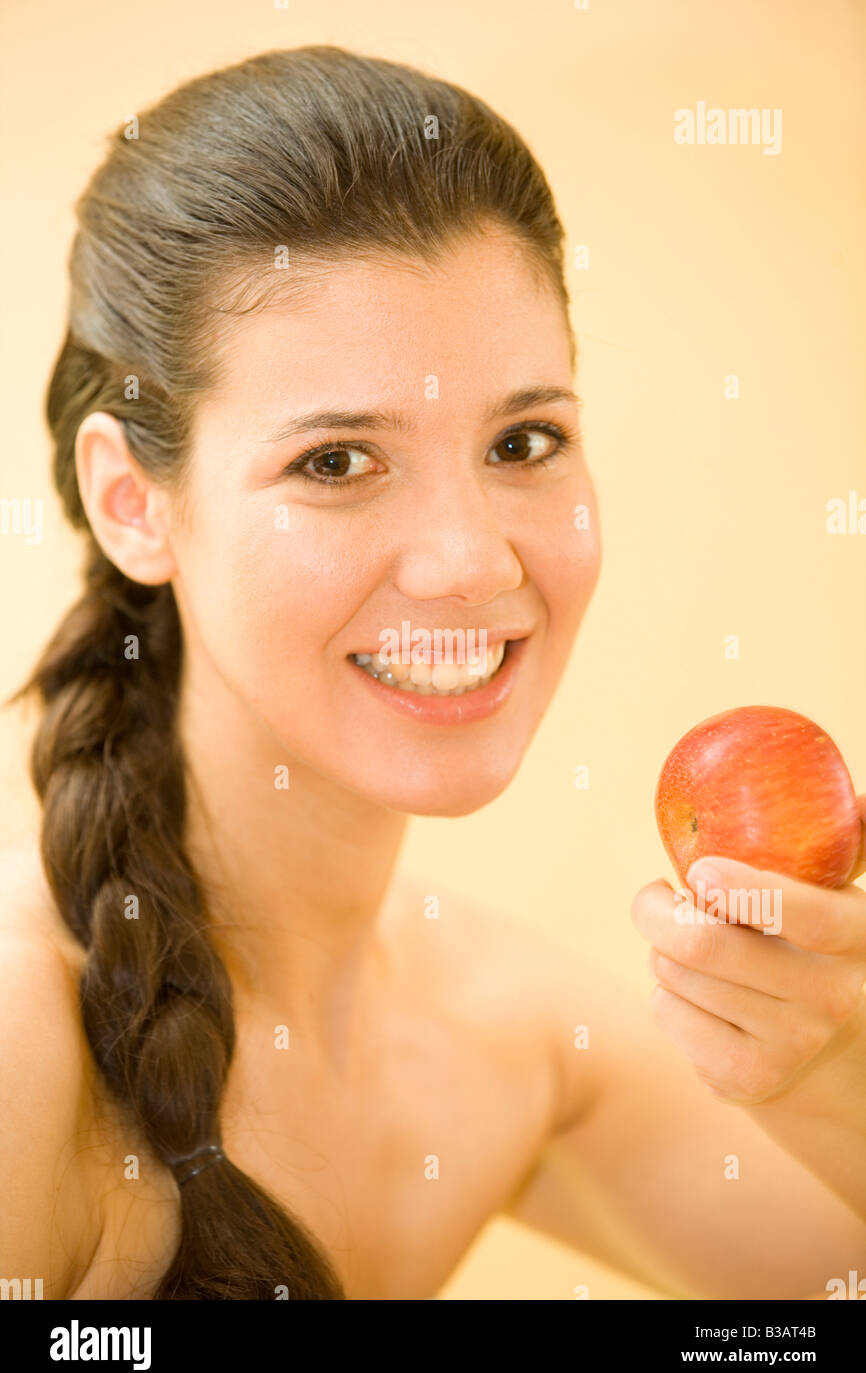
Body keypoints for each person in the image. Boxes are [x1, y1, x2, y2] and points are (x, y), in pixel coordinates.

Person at [2, 45, 865, 1301]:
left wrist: (834, 1076)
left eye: (522, 441)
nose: (469, 562)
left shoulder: (510, 1040)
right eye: (337, 462)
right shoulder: (23, 1049)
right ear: (134, 502)